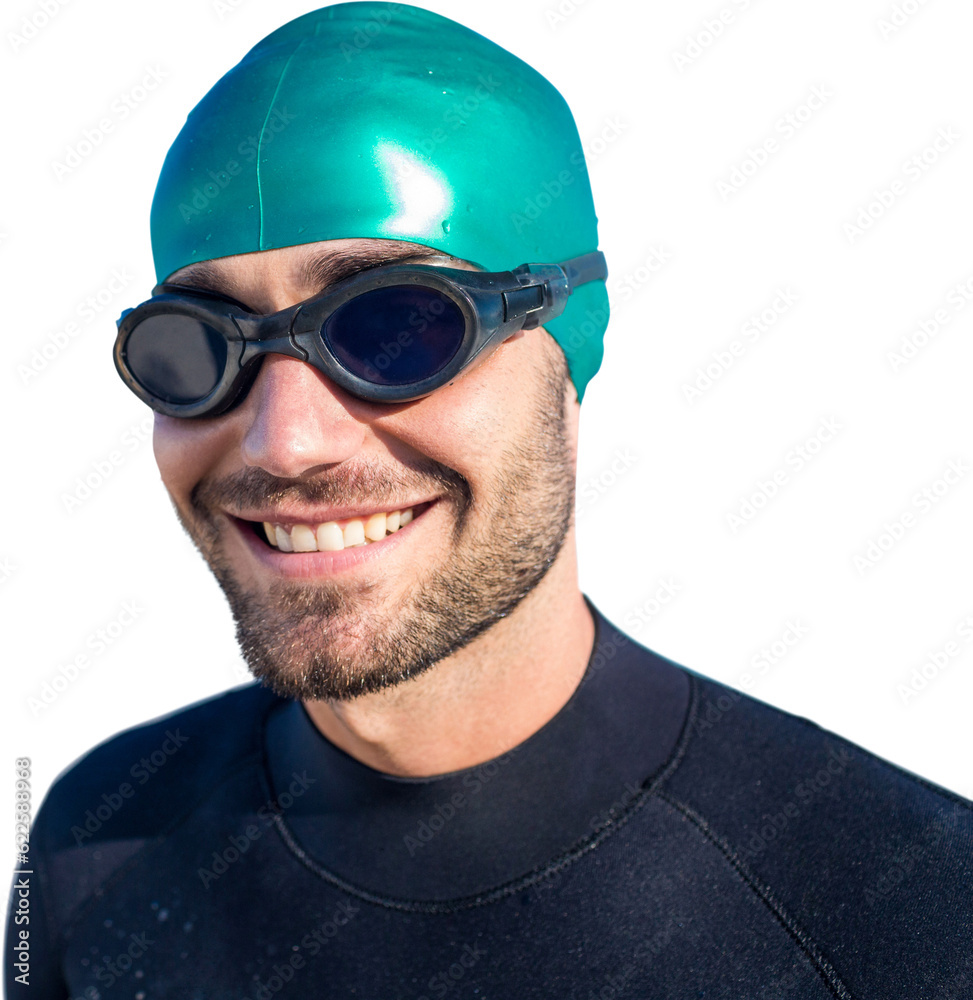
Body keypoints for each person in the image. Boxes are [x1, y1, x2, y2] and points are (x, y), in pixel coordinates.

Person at [7, 3, 972, 996]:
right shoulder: (97, 847)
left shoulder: (906, 911)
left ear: (568, 352)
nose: (283, 437)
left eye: (395, 328)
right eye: (201, 345)